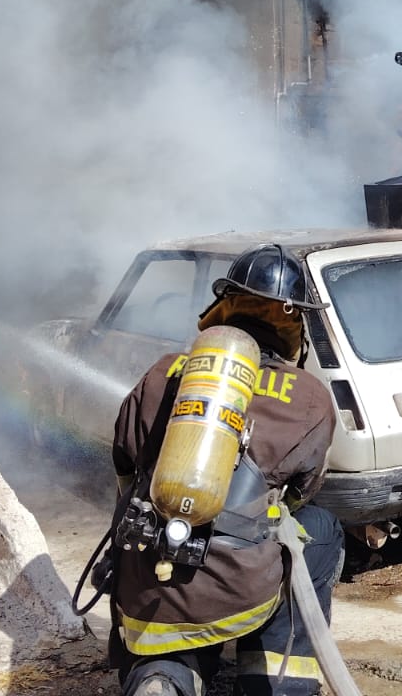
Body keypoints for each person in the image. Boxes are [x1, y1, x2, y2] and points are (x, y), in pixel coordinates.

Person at [108, 244, 342, 696]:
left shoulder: (163, 372)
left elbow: (123, 459)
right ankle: (274, 677)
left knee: (165, 622)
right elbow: (301, 493)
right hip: (240, 582)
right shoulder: (308, 396)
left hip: (146, 577)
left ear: (226, 304)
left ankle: (164, 674)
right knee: (319, 528)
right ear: (292, 322)